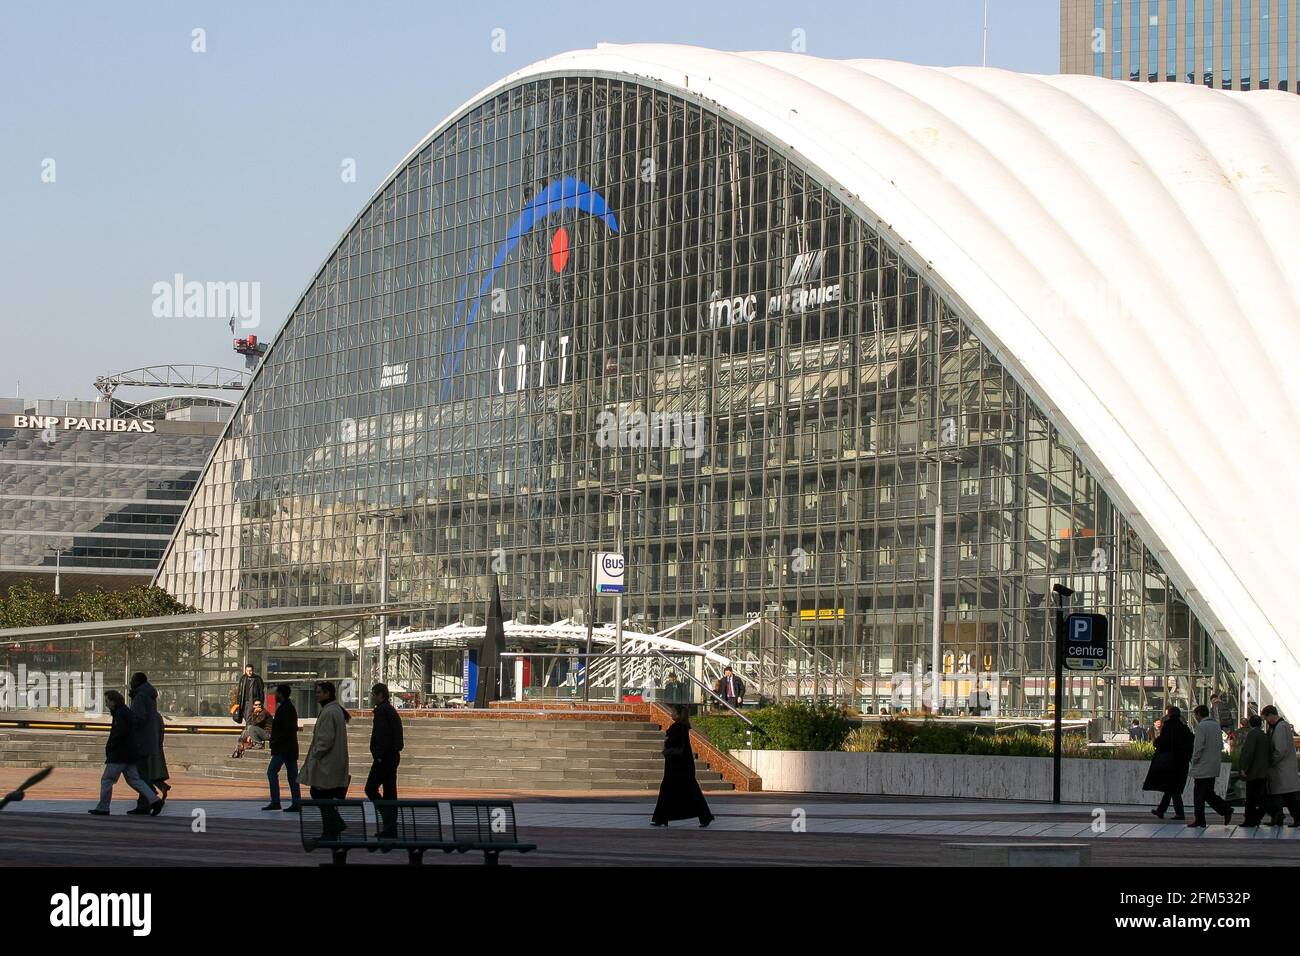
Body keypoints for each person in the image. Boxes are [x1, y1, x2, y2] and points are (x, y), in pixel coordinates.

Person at [88, 690, 162, 816]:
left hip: (119, 754)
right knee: (135, 780)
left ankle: (103, 807)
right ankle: (155, 801)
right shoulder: (124, 712)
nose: (106, 704)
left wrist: (110, 746)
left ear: (113, 701)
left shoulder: (120, 714)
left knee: (107, 779)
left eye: (107, 701)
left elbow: (118, 733)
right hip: (130, 753)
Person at [300, 681, 351, 838]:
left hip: (327, 763)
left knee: (319, 793)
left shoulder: (329, 712)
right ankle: (333, 826)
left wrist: (315, 755)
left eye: (319, 692)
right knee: (322, 794)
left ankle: (332, 827)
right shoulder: (335, 710)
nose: (316, 695)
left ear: (327, 694)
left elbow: (325, 740)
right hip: (332, 762)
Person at [651, 705, 714, 828]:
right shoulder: (683, 727)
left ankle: (661, 818)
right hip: (683, 765)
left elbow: (673, 744)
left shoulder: (677, 728)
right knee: (690, 790)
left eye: (674, 712)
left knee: (669, 789)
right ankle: (704, 816)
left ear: (679, 715)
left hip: (677, 765)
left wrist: (666, 747)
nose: (671, 714)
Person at [365, 683, 404, 838]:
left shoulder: (382, 711)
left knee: (371, 788)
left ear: (380, 695)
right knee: (389, 792)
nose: (372, 697)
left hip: (385, 757)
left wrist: (378, 755)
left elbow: (382, 736)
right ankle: (390, 826)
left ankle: (389, 820)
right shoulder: (389, 710)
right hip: (392, 755)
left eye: (374, 694)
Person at [1143, 705, 1193, 820]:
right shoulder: (1184, 728)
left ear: (1170, 714)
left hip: (1170, 761)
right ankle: (1161, 810)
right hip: (1182, 762)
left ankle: (1178, 813)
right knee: (1171, 788)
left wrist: (1157, 743)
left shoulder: (1168, 726)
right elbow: (1190, 743)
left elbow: (1161, 742)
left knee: (1172, 788)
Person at [128, 672, 169, 813]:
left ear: (137, 682)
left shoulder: (140, 696)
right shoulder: (149, 696)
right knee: (143, 772)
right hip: (149, 740)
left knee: (140, 774)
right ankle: (145, 801)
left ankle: (148, 800)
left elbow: (138, 718)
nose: (130, 683)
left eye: (132, 680)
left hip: (140, 741)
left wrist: (129, 724)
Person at [1187, 704, 1233, 827]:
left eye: (1195, 715)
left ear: (1198, 714)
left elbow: (1198, 747)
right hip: (1214, 764)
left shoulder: (1201, 726)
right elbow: (1220, 745)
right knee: (1207, 792)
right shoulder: (1216, 725)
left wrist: (1194, 760)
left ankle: (1200, 819)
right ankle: (1225, 809)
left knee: (1199, 794)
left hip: (1203, 765)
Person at [264, 684, 301, 812]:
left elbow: (285, 730)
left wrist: (275, 741)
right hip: (289, 748)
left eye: (276, 693)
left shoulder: (285, 709)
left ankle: (276, 801)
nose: (274, 696)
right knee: (292, 776)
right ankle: (296, 802)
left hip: (283, 748)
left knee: (272, 771)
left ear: (281, 694)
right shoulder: (288, 708)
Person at [1261, 705, 1300, 827]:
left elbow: (1280, 749)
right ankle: (1279, 818)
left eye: (1266, 718)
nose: (1266, 721)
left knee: (1288, 797)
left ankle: (1296, 819)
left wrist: (1272, 761)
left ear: (1271, 715)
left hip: (1282, 769)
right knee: (1281, 796)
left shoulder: (1280, 727)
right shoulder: (1280, 726)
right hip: (1281, 769)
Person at [1237, 714, 1271, 827]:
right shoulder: (1263, 735)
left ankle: (1250, 819)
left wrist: (1244, 768)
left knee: (1251, 798)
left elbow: (1248, 752)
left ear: (1250, 723)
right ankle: (1264, 815)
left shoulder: (1252, 734)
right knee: (1260, 796)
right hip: (1263, 771)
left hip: (1253, 772)